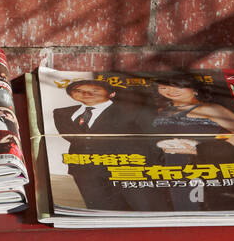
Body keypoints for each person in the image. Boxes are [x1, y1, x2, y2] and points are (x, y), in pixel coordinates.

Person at [51, 79, 160, 213]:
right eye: (78, 91)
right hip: (85, 172)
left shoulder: (133, 111)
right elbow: (73, 138)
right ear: (71, 95)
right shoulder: (62, 113)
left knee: (146, 210)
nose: (86, 93)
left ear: (112, 93)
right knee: (102, 213)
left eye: (95, 90)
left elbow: (153, 138)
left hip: (129, 170)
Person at [151, 75, 234, 213]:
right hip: (169, 167)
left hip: (198, 165)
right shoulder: (164, 111)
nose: (170, 91)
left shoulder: (210, 108)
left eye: (178, 86)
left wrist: (199, 149)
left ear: (194, 89)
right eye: (164, 87)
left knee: (197, 211)